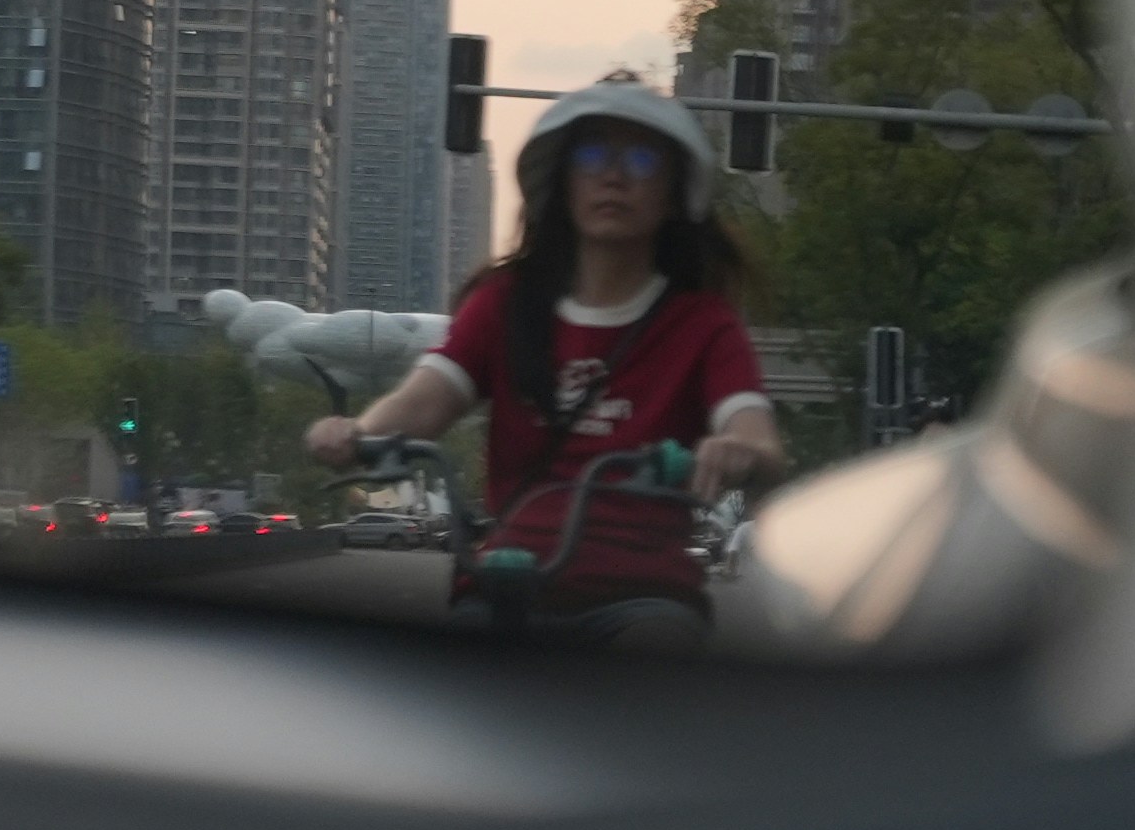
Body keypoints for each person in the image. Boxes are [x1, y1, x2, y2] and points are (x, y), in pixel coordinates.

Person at [303, 75, 787, 647]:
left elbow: (762, 444)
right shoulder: (506, 303)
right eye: (591, 155)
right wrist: (354, 433)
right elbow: (425, 401)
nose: (613, 175)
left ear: (672, 190)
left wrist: (739, 451)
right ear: (563, 181)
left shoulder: (704, 325)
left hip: (643, 596)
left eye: (639, 157)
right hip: (506, 581)